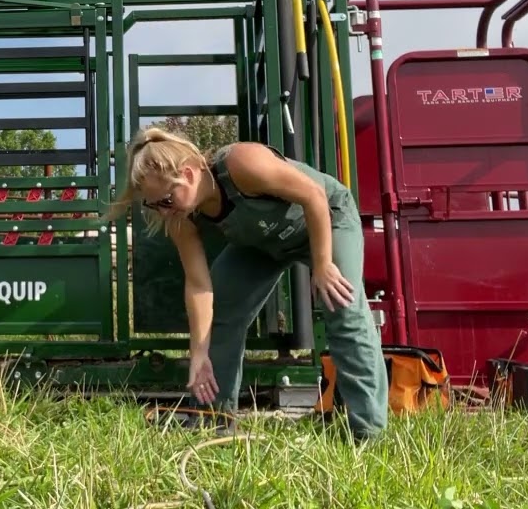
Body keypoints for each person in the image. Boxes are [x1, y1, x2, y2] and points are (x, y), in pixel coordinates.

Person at [111, 126, 388, 441]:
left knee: (342, 305)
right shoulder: (180, 219)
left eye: (165, 200)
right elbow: (200, 286)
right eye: (154, 205)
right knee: (223, 308)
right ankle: (212, 419)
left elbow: (313, 195)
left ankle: (368, 432)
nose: (163, 210)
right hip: (264, 243)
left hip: (327, 217)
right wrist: (198, 353)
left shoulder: (243, 163)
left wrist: (323, 264)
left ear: (187, 174)